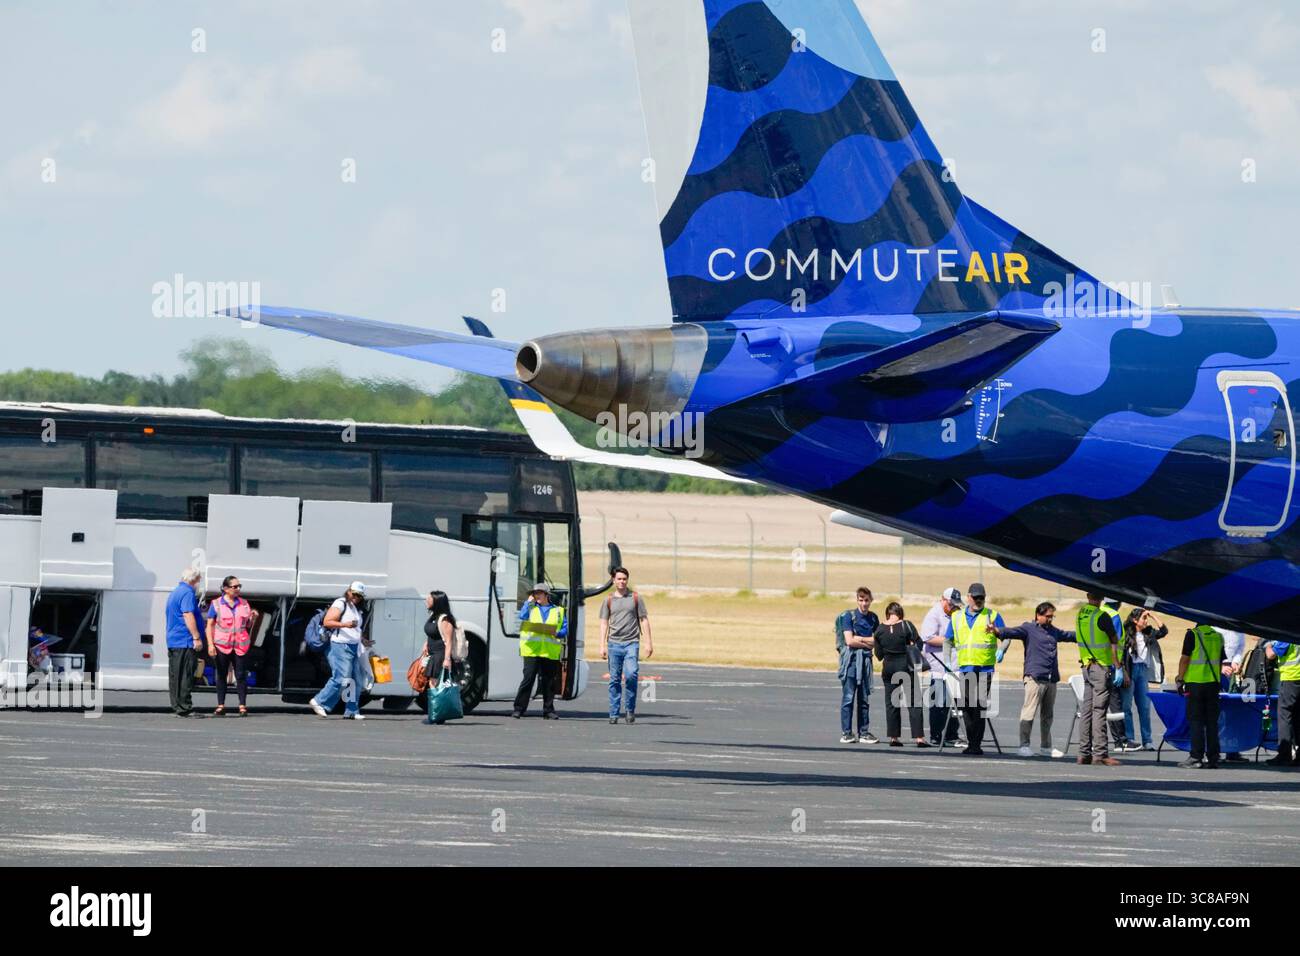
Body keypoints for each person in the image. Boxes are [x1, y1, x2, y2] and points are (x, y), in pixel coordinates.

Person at [991, 601, 1075, 758]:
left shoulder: (1053, 631)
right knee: (1028, 712)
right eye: (1048, 616)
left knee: (1047, 715)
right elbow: (1010, 632)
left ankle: (1046, 747)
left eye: (1052, 616)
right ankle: (1024, 745)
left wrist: (1084, 636)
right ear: (1038, 615)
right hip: (1034, 678)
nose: (1050, 619)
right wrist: (996, 631)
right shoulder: (1028, 629)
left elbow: (1068, 636)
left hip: (1051, 679)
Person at [944, 583, 1004, 755]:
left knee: (979, 706)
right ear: (968, 597)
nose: (979, 601)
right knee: (967, 706)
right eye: (976, 597)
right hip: (966, 668)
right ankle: (971, 741)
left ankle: (976, 744)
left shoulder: (992, 615)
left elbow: (1005, 635)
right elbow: (948, 640)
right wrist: (947, 660)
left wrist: (1002, 649)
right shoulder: (957, 617)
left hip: (985, 668)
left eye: (982, 598)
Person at [309, 581, 371, 720]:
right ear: (348, 591)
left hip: (354, 646)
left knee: (355, 680)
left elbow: (355, 629)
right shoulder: (340, 603)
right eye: (354, 594)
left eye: (359, 595)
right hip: (340, 646)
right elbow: (327, 621)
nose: (356, 597)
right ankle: (319, 701)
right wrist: (345, 624)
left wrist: (362, 639)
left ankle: (351, 710)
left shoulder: (355, 608)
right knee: (341, 677)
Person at [1074, 592, 1123, 766]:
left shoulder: (1080, 614)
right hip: (1101, 667)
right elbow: (1114, 640)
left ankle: (1083, 753)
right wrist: (1117, 665)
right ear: (1102, 597)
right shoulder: (1102, 616)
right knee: (1099, 711)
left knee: (1086, 711)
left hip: (1086, 666)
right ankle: (1100, 753)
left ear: (1087, 596)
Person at [599, 567, 652, 725]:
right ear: (614, 580)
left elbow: (644, 619)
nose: (622, 582)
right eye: (619, 579)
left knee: (631, 675)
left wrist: (649, 643)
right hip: (614, 643)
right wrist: (601, 645)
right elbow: (603, 622)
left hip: (631, 643)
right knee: (614, 679)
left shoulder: (635, 598)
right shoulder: (608, 600)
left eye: (624, 579)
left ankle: (630, 709)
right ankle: (614, 713)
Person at [873, 603, 928, 747]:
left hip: (889, 668)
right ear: (900, 613)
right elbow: (919, 644)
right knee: (914, 702)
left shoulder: (879, 629)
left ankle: (894, 737)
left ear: (887, 614)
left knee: (891, 703)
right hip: (906, 667)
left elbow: (878, 655)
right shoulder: (906, 625)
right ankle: (919, 738)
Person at [1114, 609, 1167, 752]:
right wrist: (1123, 673)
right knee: (1126, 706)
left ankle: (1147, 740)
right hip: (1129, 671)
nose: (1146, 621)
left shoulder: (1148, 633)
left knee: (1144, 707)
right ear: (1135, 620)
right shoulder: (1125, 634)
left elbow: (1164, 631)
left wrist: (1153, 615)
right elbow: (1120, 655)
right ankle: (1129, 739)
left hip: (1142, 671)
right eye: (1144, 618)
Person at [205, 575, 258, 716]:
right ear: (226, 588)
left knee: (240, 675)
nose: (238, 589)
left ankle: (242, 706)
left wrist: (252, 618)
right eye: (235, 586)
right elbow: (209, 625)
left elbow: (247, 625)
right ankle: (221, 705)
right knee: (221, 675)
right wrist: (210, 644)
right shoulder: (216, 604)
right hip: (222, 645)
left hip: (240, 645)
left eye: (239, 586)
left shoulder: (244, 603)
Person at [513, 582, 566, 719]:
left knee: (548, 682)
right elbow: (523, 616)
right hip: (532, 650)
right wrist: (528, 602)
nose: (537, 596)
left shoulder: (558, 611)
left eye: (539, 593)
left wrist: (558, 633)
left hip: (549, 651)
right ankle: (519, 709)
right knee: (528, 679)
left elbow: (564, 628)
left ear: (546, 595)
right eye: (534, 593)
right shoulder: (530, 608)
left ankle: (548, 710)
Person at [1176, 622, 1225, 769]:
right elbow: (1221, 660)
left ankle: (1196, 756)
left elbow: (1185, 658)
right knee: (1212, 722)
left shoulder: (1193, 634)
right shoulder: (1218, 636)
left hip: (1195, 683)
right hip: (1213, 683)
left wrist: (1180, 678)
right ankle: (1213, 757)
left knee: (1196, 721)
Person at [921, 587, 963, 746]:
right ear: (943, 600)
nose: (954, 607)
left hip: (955, 666)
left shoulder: (957, 614)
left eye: (956, 605)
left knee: (955, 702)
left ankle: (952, 735)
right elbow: (928, 637)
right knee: (939, 702)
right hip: (939, 666)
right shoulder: (934, 615)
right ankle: (936, 736)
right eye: (951, 604)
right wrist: (950, 641)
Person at [836, 587, 878, 744]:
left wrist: (859, 639)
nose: (864, 603)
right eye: (861, 600)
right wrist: (865, 641)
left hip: (866, 662)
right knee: (848, 697)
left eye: (866, 600)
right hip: (851, 663)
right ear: (857, 600)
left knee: (864, 698)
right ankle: (846, 732)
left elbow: (876, 641)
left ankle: (864, 732)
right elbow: (849, 641)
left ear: (871, 600)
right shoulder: (849, 616)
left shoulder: (873, 618)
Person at [165, 567, 204, 718]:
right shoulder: (188, 592)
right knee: (186, 674)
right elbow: (188, 615)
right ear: (193, 580)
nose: (198, 583)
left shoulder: (175, 591)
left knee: (176, 675)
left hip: (174, 640)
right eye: (198, 580)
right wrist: (196, 637)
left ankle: (177, 705)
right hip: (185, 640)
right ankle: (185, 707)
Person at [423, 590, 459, 723]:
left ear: (437, 602)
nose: (427, 600)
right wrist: (426, 643)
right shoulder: (433, 616)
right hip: (433, 655)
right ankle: (436, 713)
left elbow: (449, 641)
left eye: (430, 599)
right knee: (433, 685)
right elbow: (433, 633)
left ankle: (437, 714)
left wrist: (447, 659)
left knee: (435, 684)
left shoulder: (444, 619)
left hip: (441, 655)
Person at [1264, 639, 1298, 767]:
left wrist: (1268, 645)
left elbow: (1271, 654)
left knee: (1285, 715)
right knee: (1297, 717)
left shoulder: (1288, 634)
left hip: (1291, 677)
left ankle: (1284, 755)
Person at [1218, 629, 1249, 762]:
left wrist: (1236, 662)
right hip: (1216, 672)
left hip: (1231, 672)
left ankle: (1232, 751)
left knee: (1232, 712)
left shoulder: (1239, 630)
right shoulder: (1215, 628)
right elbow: (1209, 651)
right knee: (1217, 714)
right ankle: (1213, 750)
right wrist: (1220, 666)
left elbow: (1240, 647)